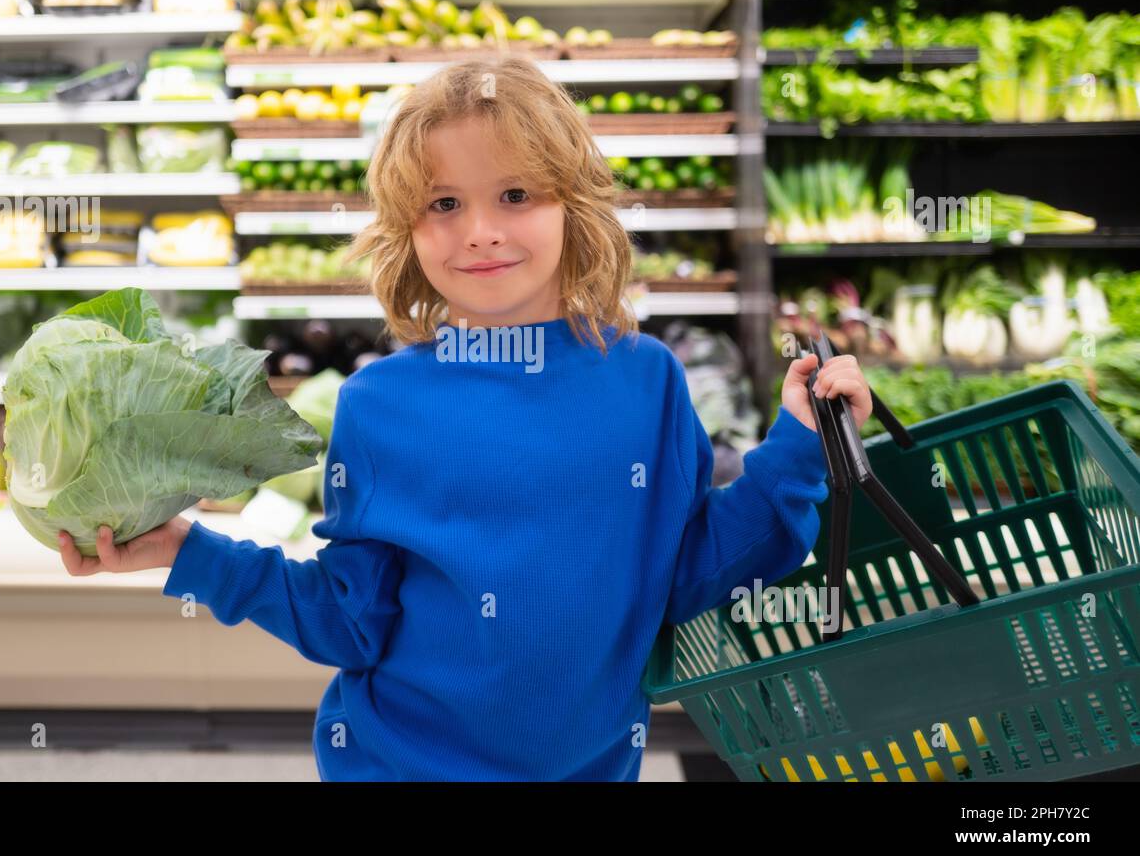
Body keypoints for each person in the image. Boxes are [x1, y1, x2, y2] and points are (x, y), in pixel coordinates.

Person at [57, 55, 873, 781]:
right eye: (443, 202)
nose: (478, 232)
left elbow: (689, 576)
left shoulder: (648, 382)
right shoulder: (378, 405)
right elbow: (350, 620)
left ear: (574, 206)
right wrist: (187, 554)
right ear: (406, 229)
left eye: (515, 194)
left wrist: (800, 446)